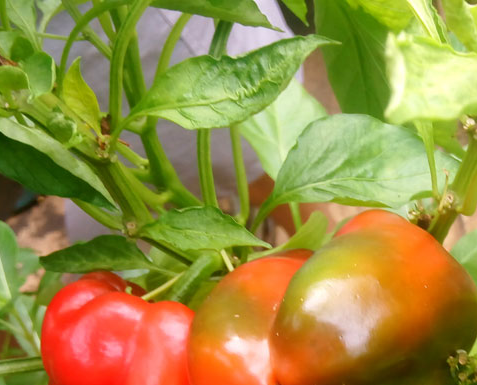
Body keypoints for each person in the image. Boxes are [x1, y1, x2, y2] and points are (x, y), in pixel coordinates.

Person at [43, 3, 299, 241]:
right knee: (105, 225)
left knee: (261, 162)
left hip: (157, 27)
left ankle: (306, 243)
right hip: (66, 47)